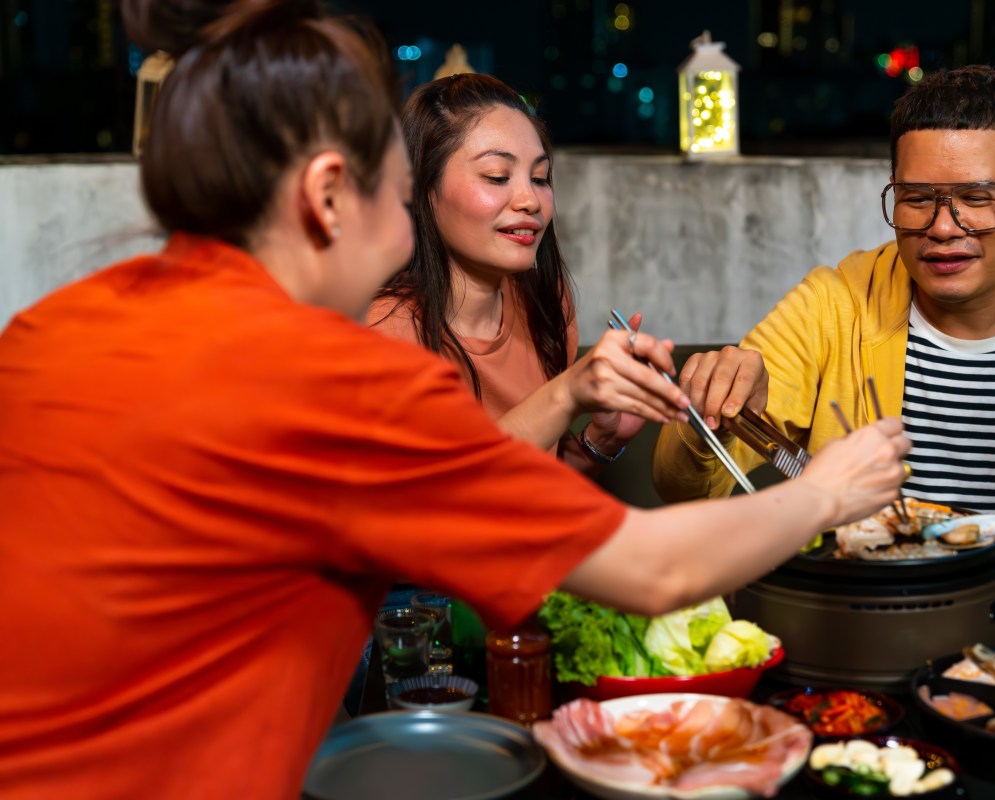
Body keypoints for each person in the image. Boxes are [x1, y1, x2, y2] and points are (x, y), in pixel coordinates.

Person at [0, 2, 909, 798]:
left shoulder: (47, 329)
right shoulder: (333, 379)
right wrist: (828, 489)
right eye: (399, 200)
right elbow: (653, 572)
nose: (403, 234)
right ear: (327, 197)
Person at [653, 65, 995, 590]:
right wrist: (710, 419)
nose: (943, 227)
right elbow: (683, 491)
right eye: (917, 199)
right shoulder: (832, 308)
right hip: (857, 621)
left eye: (977, 199)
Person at [370, 73, 678, 472]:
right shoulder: (380, 333)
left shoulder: (545, 301)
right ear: (423, 189)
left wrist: (603, 439)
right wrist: (565, 394)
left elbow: (532, 483)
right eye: (497, 176)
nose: (530, 200)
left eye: (539, 178)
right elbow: (438, 502)